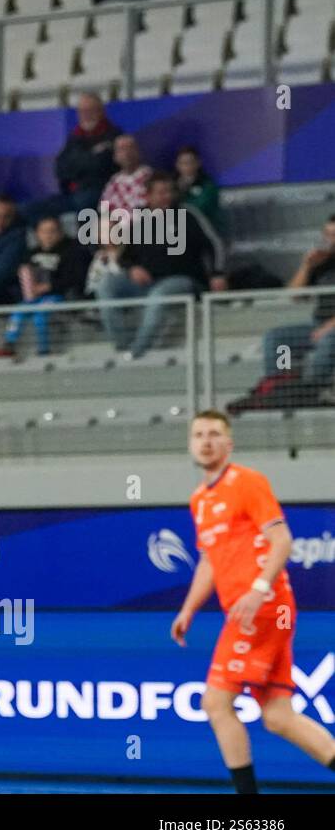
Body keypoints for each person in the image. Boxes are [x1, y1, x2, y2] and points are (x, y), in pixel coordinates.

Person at [172, 411, 335, 793]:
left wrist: (260, 587)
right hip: (254, 610)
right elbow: (210, 560)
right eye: (198, 434)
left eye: (214, 434)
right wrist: (188, 609)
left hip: (263, 607)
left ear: (229, 444)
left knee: (215, 703)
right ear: (191, 444)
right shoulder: (199, 500)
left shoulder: (247, 482)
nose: (206, 441)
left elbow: (283, 539)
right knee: (278, 716)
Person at [95, 172, 226, 358]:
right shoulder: (138, 219)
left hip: (183, 280)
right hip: (146, 281)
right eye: (161, 192)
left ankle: (136, 352)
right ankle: (121, 346)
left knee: (159, 295)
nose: (167, 196)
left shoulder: (188, 214)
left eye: (170, 192)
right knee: (106, 284)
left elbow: (214, 244)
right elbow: (124, 255)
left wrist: (217, 273)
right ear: (148, 196)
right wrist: (132, 268)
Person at [227, 216, 335, 413]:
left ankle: (311, 390)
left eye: (334, 235)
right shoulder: (322, 261)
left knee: (329, 339)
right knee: (278, 340)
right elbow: (294, 295)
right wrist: (307, 266)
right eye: (327, 234)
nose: (330, 239)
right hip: (318, 325)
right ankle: (279, 384)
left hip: (330, 329)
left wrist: (330, 326)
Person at [0, 216, 92, 358]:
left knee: (40, 316)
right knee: (17, 313)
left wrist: (48, 286)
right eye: (44, 231)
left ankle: (43, 350)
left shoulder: (71, 252)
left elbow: (73, 278)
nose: (48, 235)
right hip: (33, 297)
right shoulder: (31, 254)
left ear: (60, 232)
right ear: (38, 234)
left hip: (57, 296)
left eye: (52, 231)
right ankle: (9, 344)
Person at [25, 93, 122, 224]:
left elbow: (100, 165)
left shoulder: (114, 135)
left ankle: (87, 244)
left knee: (85, 204)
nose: (85, 115)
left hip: (100, 194)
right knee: (29, 209)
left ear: (101, 111)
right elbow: (60, 168)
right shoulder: (75, 136)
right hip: (71, 194)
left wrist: (78, 164)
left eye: (89, 110)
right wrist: (88, 160)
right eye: (81, 111)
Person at [99, 134, 153, 217]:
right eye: (121, 149)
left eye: (130, 148)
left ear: (138, 151)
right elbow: (103, 210)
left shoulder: (149, 176)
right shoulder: (114, 182)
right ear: (115, 156)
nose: (127, 153)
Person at [174, 145, 222, 234]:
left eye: (190, 162)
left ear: (198, 163)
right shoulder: (172, 185)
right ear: (177, 165)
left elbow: (199, 208)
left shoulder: (207, 184)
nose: (187, 166)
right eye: (183, 163)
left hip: (205, 230)